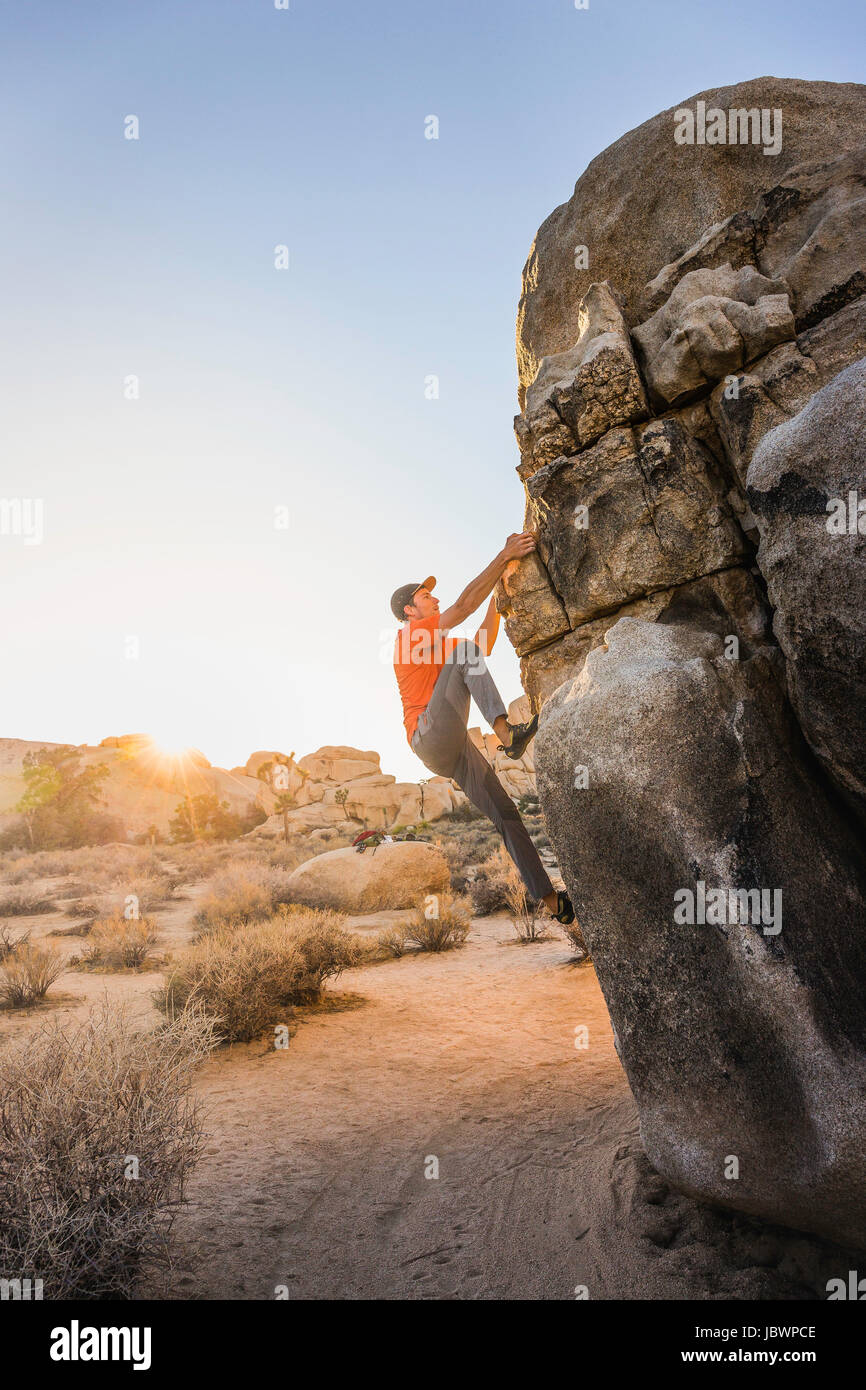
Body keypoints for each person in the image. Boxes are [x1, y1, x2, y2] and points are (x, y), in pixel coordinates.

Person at [391, 532, 574, 924]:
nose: (435, 600)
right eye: (426, 597)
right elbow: (462, 607)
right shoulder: (409, 636)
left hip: (446, 749)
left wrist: (498, 601)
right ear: (409, 610)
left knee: (507, 814)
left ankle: (551, 902)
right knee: (464, 651)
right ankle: (507, 736)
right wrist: (503, 556)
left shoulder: (431, 646)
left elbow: (481, 647)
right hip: (429, 732)